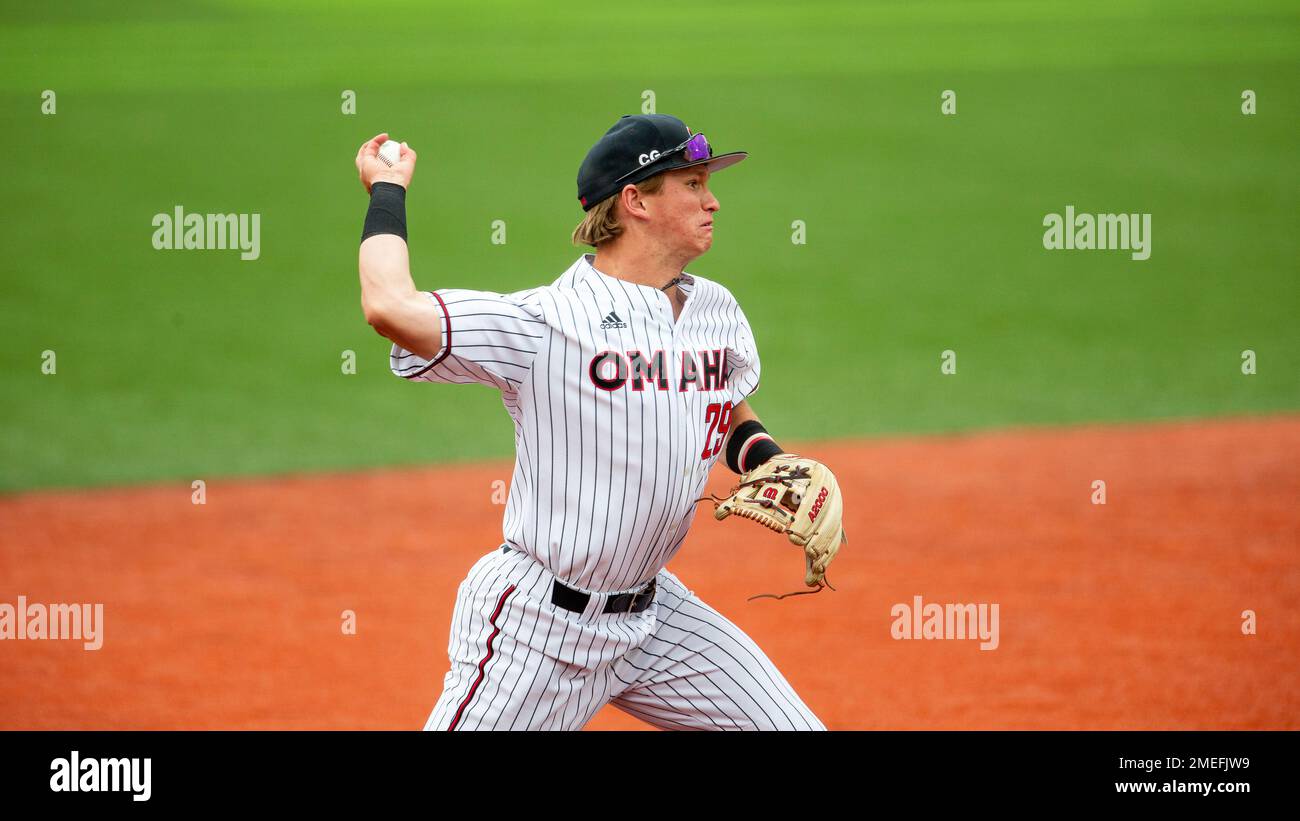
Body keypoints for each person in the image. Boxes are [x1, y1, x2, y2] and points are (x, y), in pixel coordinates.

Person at [354, 114, 824, 730]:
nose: (712, 202)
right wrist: (388, 190)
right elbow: (388, 306)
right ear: (636, 201)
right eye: (692, 184)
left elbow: (723, 399)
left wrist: (770, 462)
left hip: (657, 620)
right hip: (539, 630)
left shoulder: (715, 308)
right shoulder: (545, 322)